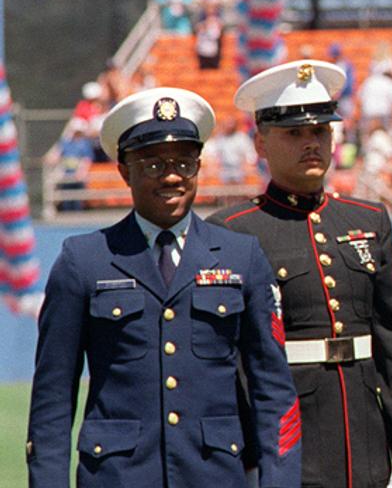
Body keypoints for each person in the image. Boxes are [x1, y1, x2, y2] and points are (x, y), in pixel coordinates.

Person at [27, 87, 300, 487]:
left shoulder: (241, 257)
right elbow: (52, 398)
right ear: (125, 171)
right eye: (154, 165)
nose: (172, 176)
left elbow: (273, 391)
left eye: (184, 164)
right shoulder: (83, 261)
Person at [209, 60, 392, 488]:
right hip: (287, 444)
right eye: (294, 134)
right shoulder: (233, 231)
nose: (311, 143)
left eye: (319, 131)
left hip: (366, 440)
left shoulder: (368, 220)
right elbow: (229, 360)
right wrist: (248, 455)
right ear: (260, 143)